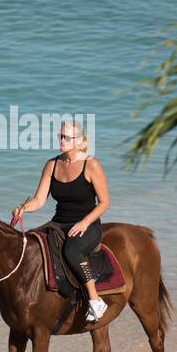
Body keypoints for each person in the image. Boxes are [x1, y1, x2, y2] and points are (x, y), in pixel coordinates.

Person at [13, 120, 111, 321]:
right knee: (30, 242)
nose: (62, 140)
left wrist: (84, 222)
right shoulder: (52, 164)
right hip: (58, 222)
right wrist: (23, 208)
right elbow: (39, 200)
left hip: (88, 224)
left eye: (67, 137)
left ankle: (95, 301)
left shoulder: (91, 164)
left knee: (72, 250)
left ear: (79, 140)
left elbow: (104, 203)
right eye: (60, 136)